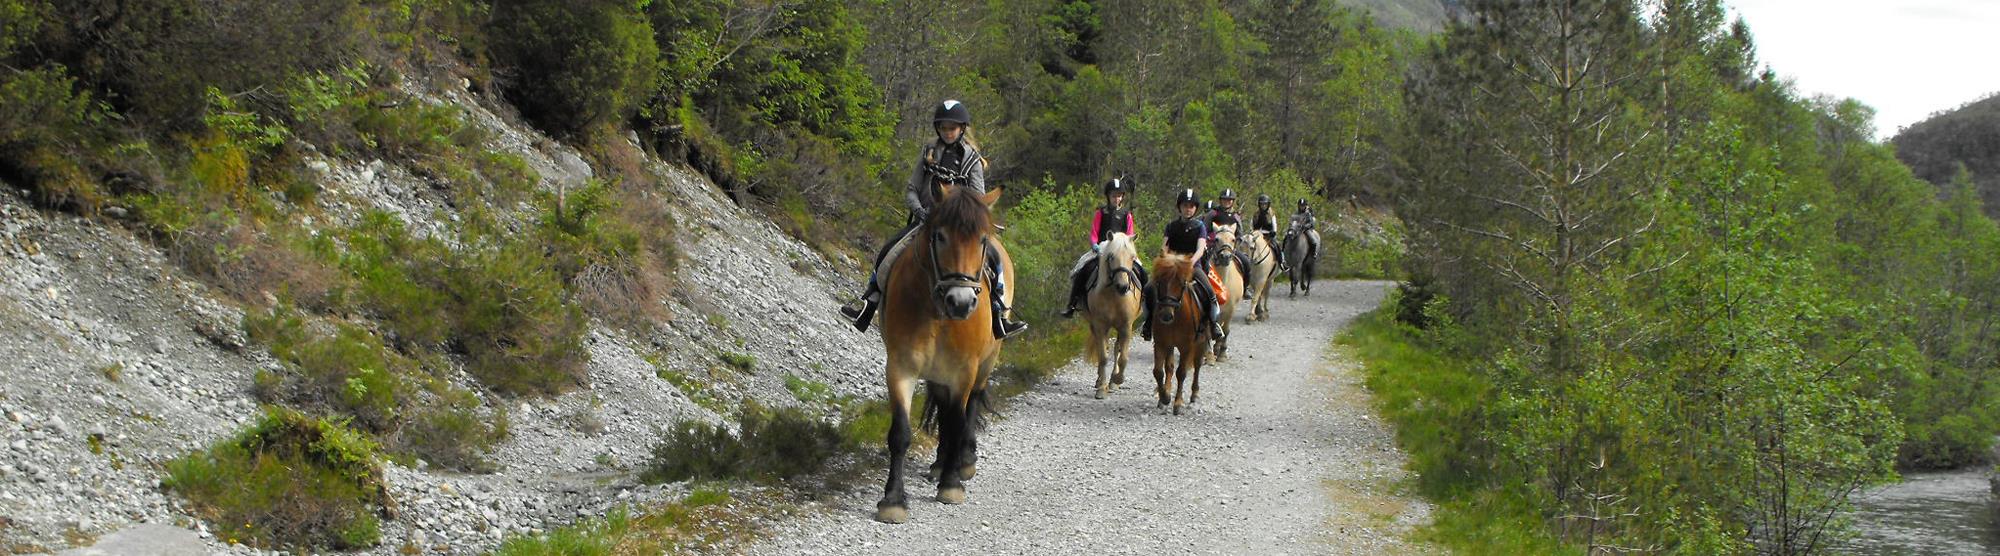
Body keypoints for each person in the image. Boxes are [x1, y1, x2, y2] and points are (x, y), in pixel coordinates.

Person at [840, 100, 1028, 338]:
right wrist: (919, 211)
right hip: (927, 220)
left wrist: (963, 213)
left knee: (994, 258)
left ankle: (999, 314)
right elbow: (912, 188)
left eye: (952, 128)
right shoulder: (928, 152)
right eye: (944, 128)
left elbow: (978, 198)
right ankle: (868, 304)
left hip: (960, 225)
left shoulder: (972, 160)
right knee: (889, 250)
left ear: (961, 129)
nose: (948, 132)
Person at [1141, 188, 1227, 342]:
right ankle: (1147, 324)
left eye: (1191, 206)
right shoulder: (1171, 226)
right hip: (1172, 268)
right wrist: (1165, 258)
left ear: (1195, 208)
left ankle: (1213, 324)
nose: (1188, 209)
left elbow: (1200, 248)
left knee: (1209, 292)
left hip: (1192, 267)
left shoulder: (1199, 226)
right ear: (1179, 207)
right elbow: (1164, 247)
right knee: (1148, 288)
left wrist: (1190, 262)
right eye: (1185, 206)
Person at [1060, 178, 1148, 318]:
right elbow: (1094, 232)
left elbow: (1130, 235)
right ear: (1108, 196)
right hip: (1102, 248)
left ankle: (1144, 303)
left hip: (1122, 251)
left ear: (1122, 197)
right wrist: (1094, 245)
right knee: (1082, 269)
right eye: (1113, 195)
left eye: (1119, 195)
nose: (1116, 198)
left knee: (1142, 272)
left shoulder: (1127, 215)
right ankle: (1072, 304)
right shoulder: (1101, 212)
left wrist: (1130, 250)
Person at [1284, 198, 1320, 265]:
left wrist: (1305, 226)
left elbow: (1311, 223)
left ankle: (1314, 253)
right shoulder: (1296, 213)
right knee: (1286, 236)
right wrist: (1291, 227)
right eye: (1300, 205)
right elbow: (1292, 221)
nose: (1301, 207)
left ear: (1305, 206)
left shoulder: (1308, 213)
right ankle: (1283, 252)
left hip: (1306, 229)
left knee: (1313, 240)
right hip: (1297, 229)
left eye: (1303, 206)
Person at [1250, 194, 1281, 267]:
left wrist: (1274, 232)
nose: (1263, 206)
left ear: (1268, 204)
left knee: (1277, 247)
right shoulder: (1256, 214)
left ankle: (1281, 262)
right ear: (1259, 204)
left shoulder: (1271, 213)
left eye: (1265, 204)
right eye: (1262, 204)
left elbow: (1274, 224)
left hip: (1268, 235)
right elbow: (1251, 224)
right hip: (1256, 235)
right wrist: (1252, 232)